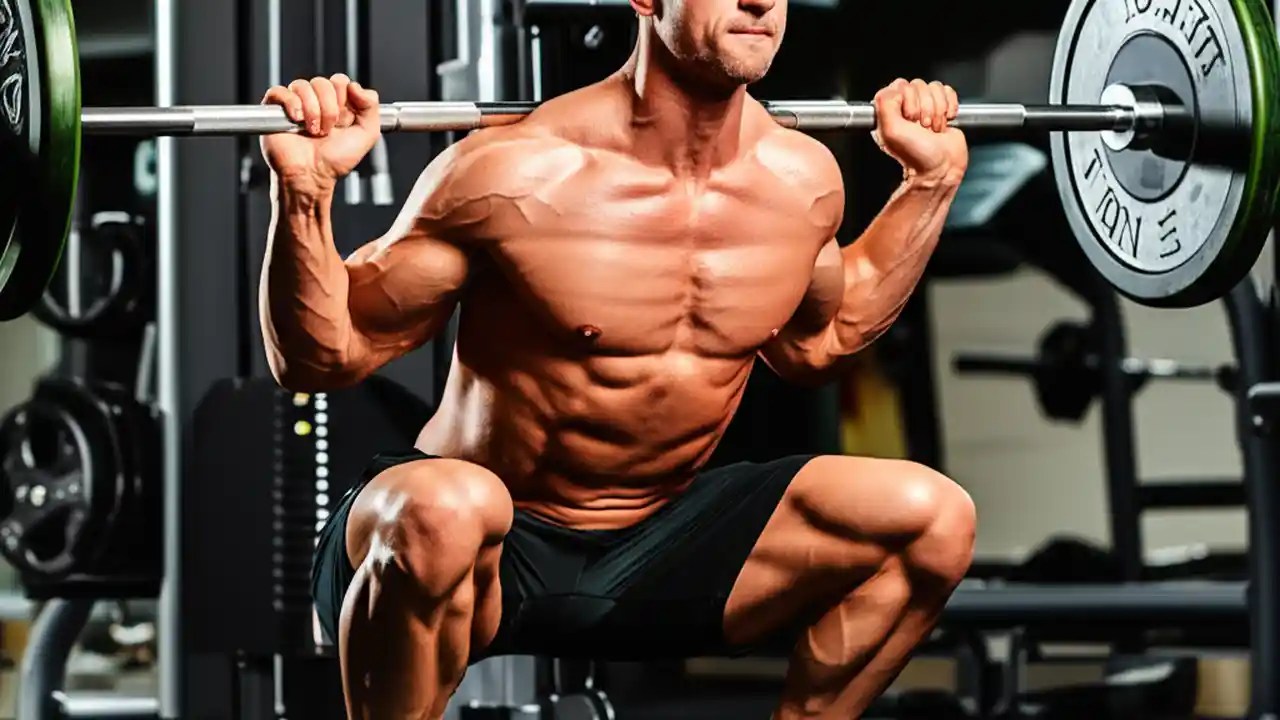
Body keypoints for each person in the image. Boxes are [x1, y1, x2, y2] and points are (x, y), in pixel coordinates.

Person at [259, 0, 975, 716]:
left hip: (661, 542)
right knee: (445, 506)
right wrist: (304, 195)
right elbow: (326, 356)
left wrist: (930, 186)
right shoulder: (513, 171)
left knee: (932, 518)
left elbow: (823, 341)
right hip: (478, 553)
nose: (760, 2)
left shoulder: (801, 183)